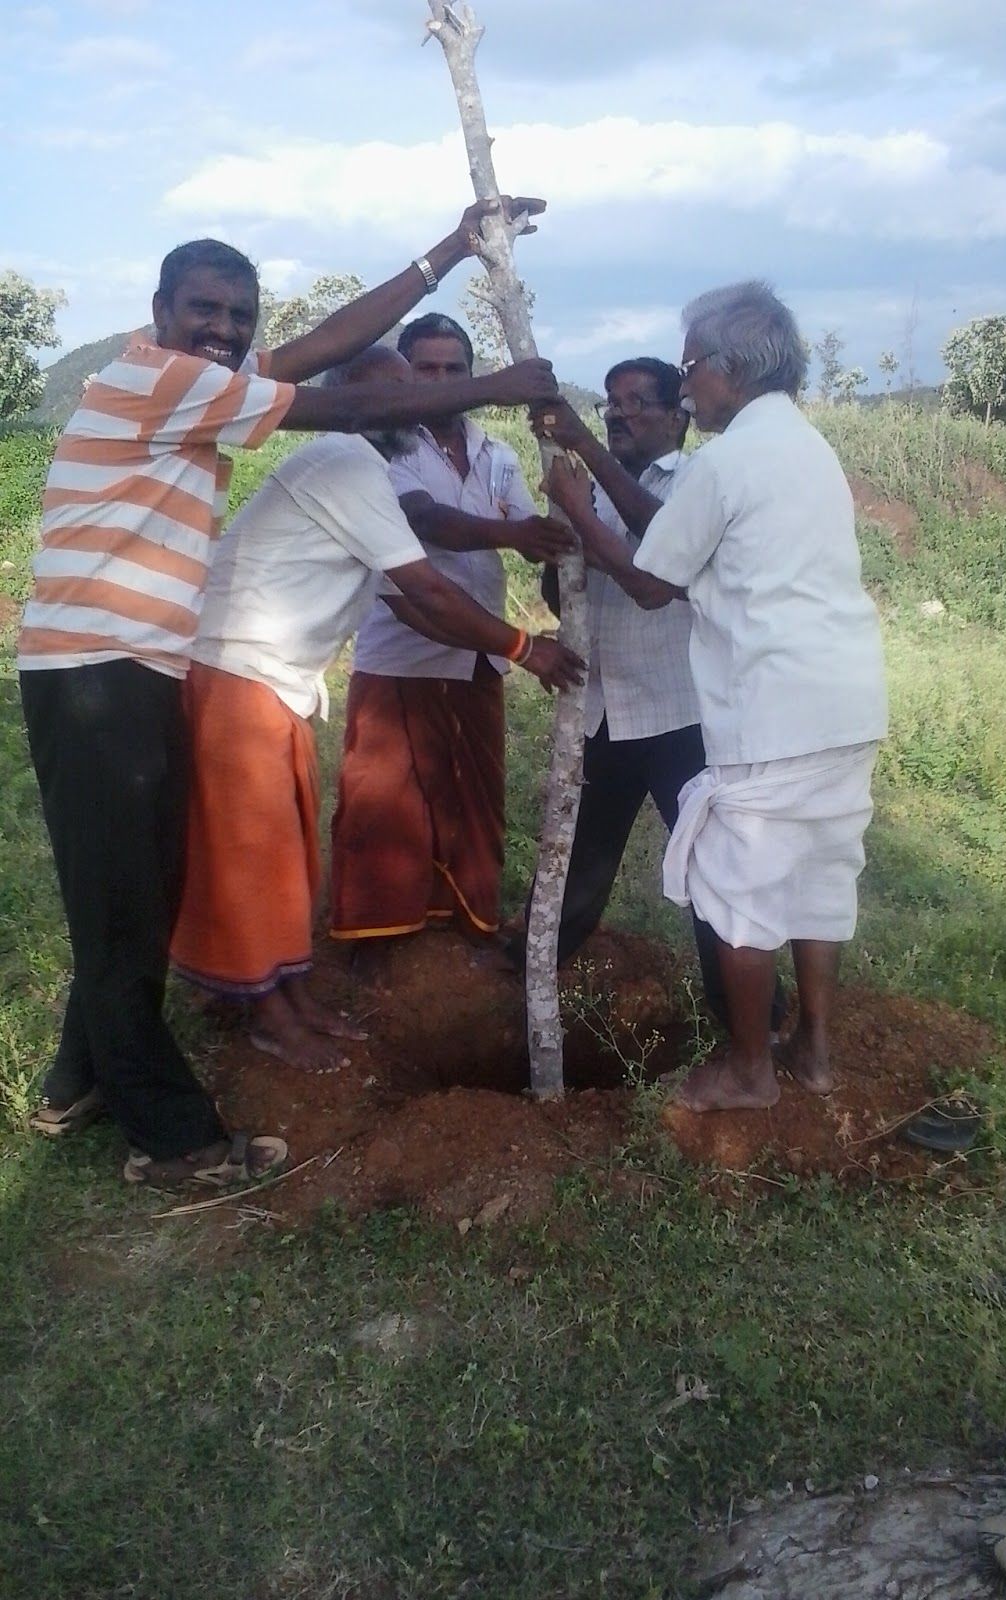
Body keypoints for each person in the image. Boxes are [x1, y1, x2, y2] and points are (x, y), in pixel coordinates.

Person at [19, 198, 559, 1188]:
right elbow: (351, 397)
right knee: (121, 903)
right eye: (205, 309)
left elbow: (327, 348)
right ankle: (170, 1137)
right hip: (97, 667)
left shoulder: (204, 387)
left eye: (240, 315)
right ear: (159, 309)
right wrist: (496, 383)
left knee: (130, 892)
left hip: (145, 662)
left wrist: (445, 248)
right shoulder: (162, 379)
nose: (224, 331)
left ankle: (73, 1083)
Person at [170, 344, 583, 1069]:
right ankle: (268, 1014)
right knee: (254, 856)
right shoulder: (349, 463)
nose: (416, 406)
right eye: (400, 393)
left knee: (285, 854)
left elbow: (411, 604)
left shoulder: (360, 472)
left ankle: (288, 998)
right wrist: (525, 648)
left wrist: (511, 645)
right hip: (235, 672)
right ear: (361, 402)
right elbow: (426, 592)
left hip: (267, 678)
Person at [547, 281, 888, 1112]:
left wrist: (571, 511)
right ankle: (811, 1048)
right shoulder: (804, 446)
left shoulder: (728, 459)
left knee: (739, 888)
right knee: (817, 878)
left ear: (731, 369)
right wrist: (594, 460)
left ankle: (746, 1071)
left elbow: (648, 579)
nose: (687, 382)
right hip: (846, 702)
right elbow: (669, 530)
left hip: (769, 710)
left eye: (691, 365)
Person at [513, 359, 784, 1035]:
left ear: (677, 416)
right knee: (582, 860)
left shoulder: (696, 480)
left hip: (678, 714)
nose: (619, 413)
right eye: (610, 402)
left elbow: (657, 566)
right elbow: (562, 597)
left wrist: (582, 487)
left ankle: (750, 1019)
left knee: (708, 868)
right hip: (603, 706)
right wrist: (560, 543)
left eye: (637, 402)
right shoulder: (595, 488)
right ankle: (527, 971)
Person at [329, 314, 564, 968]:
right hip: (402, 644)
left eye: (452, 370)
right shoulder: (388, 445)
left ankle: (468, 919)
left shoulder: (498, 453)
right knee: (384, 796)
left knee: (473, 794)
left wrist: (557, 528)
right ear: (404, 378)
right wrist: (517, 536)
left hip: (479, 647)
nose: (439, 382)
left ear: (470, 375)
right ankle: (371, 935)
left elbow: (526, 526)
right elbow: (426, 520)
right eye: (424, 371)